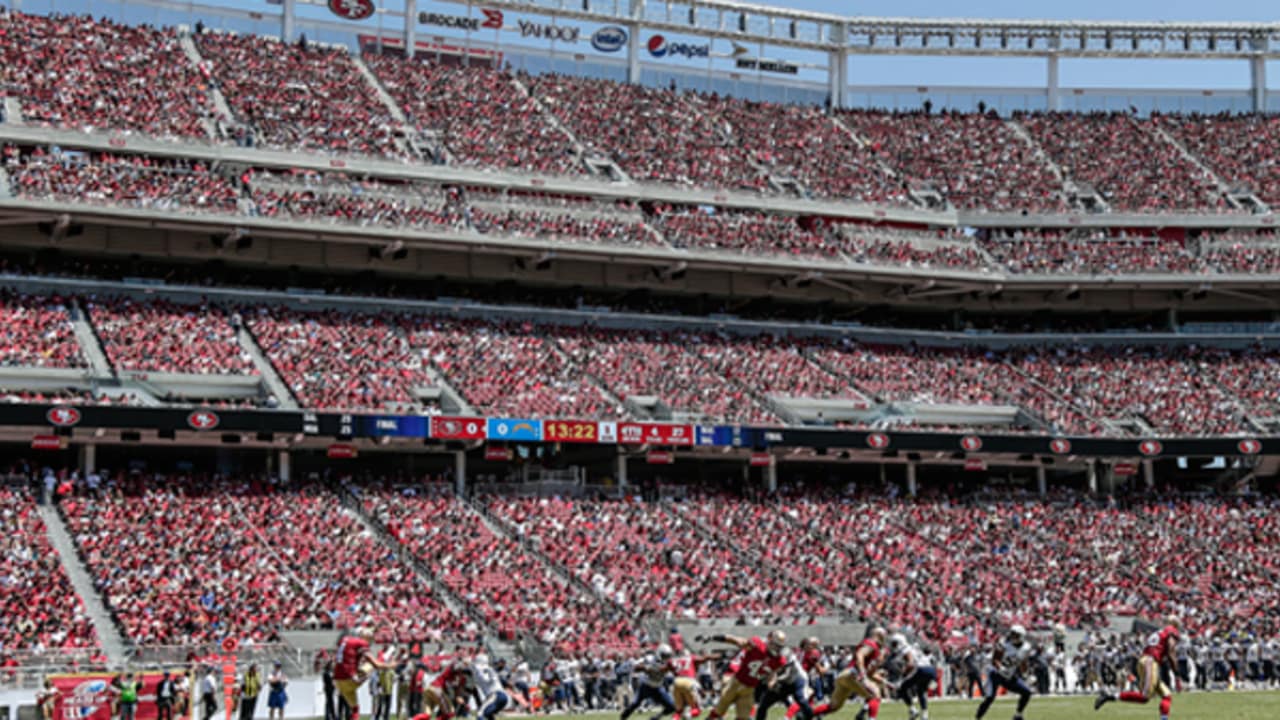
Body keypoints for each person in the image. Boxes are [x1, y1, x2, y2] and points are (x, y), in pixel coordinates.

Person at [1095, 618, 1179, 720]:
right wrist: (1177, 675)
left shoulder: (1160, 632)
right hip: (1150, 662)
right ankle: (1110, 696)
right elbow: (1171, 651)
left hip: (1148, 661)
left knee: (1166, 695)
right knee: (1144, 697)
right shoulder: (1171, 630)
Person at [799, 628, 887, 720]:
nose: (885, 637)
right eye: (884, 634)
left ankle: (805, 715)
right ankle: (868, 717)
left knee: (833, 706)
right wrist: (862, 674)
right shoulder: (871, 643)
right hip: (852, 674)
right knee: (875, 694)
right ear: (879, 634)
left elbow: (870, 674)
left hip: (844, 676)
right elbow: (860, 655)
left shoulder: (874, 648)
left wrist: (885, 682)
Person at [701, 631, 789, 720]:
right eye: (776, 645)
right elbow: (735, 640)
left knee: (743, 718)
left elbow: (772, 673)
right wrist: (713, 637)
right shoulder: (757, 645)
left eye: (780, 647)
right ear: (769, 640)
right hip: (735, 683)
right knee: (717, 713)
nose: (777, 649)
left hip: (749, 689)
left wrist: (772, 683)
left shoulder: (779, 660)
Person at [976, 625, 1035, 720]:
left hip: (1009, 676)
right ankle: (978, 717)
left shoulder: (1026, 647)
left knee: (1026, 692)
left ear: (1021, 636)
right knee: (990, 698)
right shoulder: (1004, 643)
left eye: (1015, 635)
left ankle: (1018, 715)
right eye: (1012, 634)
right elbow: (994, 659)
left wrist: (1026, 674)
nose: (1013, 637)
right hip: (995, 674)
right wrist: (1001, 668)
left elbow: (1023, 661)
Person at [335, 628, 392, 720]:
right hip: (349, 678)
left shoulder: (344, 641)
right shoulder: (359, 643)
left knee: (352, 708)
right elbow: (375, 664)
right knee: (371, 666)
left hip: (338, 678)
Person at [754, 643, 812, 720]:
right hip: (782, 684)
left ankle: (810, 717)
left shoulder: (787, 655)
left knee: (802, 701)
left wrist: (774, 679)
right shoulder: (770, 654)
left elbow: (787, 674)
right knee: (763, 705)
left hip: (795, 682)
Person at [621, 644, 678, 720]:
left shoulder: (669, 663)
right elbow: (636, 668)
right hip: (646, 686)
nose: (666, 658)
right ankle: (622, 718)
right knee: (634, 705)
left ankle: (656, 718)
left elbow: (675, 672)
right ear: (659, 653)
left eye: (667, 656)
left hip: (658, 687)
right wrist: (646, 668)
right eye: (664, 655)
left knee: (672, 706)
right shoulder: (650, 659)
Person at [888, 634, 937, 720]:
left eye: (895, 643)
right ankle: (924, 714)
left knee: (902, 687)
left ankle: (913, 710)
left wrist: (903, 675)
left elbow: (910, 664)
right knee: (921, 690)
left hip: (921, 669)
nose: (893, 646)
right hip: (930, 669)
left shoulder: (905, 649)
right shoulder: (913, 647)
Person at [471, 654, 511, 720]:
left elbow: (487, 679)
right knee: (488, 714)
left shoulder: (485, 670)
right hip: (500, 696)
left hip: (495, 695)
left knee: (480, 714)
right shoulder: (486, 669)